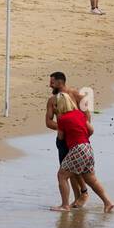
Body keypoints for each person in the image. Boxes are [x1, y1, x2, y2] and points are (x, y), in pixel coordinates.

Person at [49, 91, 113, 213]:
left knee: (62, 175)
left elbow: (61, 138)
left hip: (77, 148)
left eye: (56, 105)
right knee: (91, 179)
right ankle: (108, 202)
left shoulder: (62, 119)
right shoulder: (79, 114)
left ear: (60, 105)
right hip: (87, 147)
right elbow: (91, 130)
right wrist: (82, 136)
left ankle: (65, 205)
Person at [45, 73, 89, 206]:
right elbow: (48, 122)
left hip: (77, 138)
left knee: (73, 169)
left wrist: (79, 129)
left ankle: (84, 193)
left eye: (52, 82)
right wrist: (63, 127)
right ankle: (77, 198)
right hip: (62, 138)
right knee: (67, 171)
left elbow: (86, 114)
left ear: (59, 83)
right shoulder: (52, 100)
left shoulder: (76, 95)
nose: (49, 85)